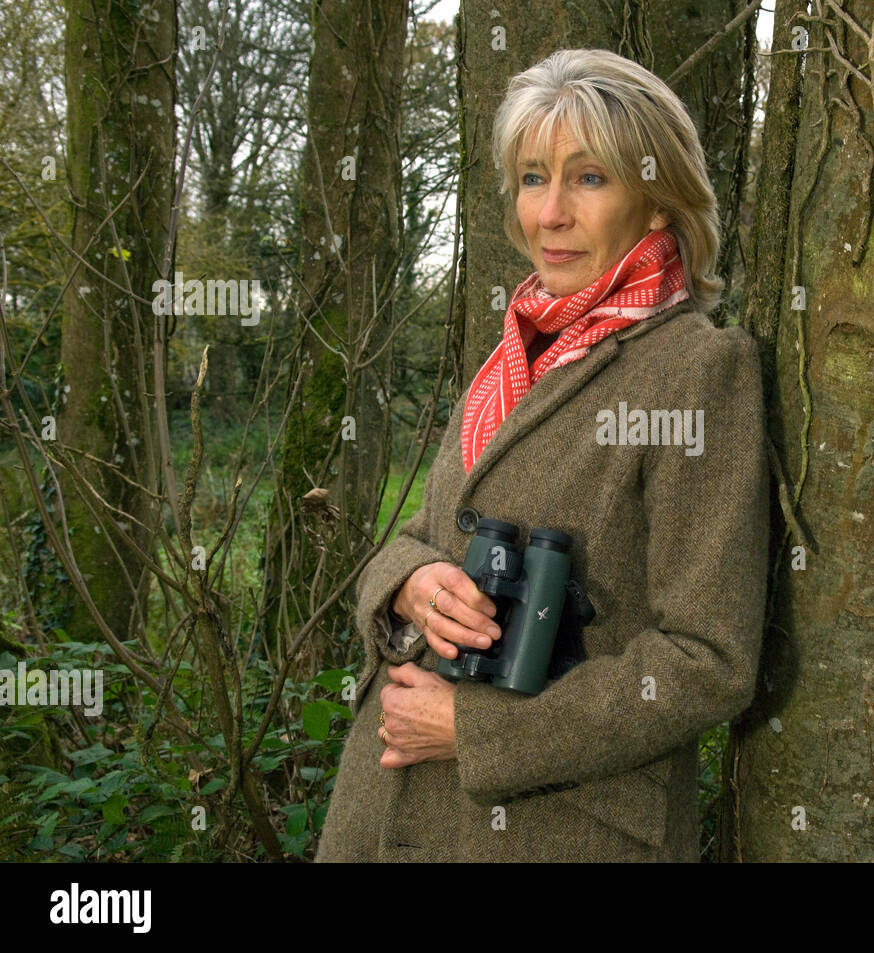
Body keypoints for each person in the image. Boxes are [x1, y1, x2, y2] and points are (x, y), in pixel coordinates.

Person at [316, 48, 769, 862]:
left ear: (658, 201)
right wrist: (408, 585)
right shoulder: (518, 354)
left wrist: (477, 728)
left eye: (588, 178)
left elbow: (708, 657)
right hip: (381, 810)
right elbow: (423, 532)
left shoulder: (697, 370)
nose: (549, 213)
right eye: (532, 177)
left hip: (553, 831)